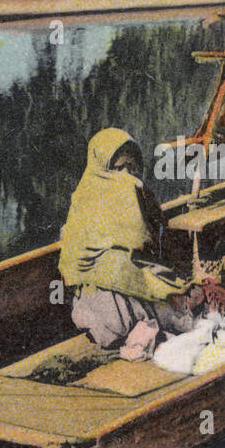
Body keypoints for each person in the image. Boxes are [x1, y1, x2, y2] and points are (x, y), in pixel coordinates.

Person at [59, 128, 200, 358]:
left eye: (132, 168)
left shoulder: (140, 194)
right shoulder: (85, 198)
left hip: (132, 282)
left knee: (158, 287)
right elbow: (74, 262)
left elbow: (152, 242)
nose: (126, 174)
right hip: (98, 295)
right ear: (101, 167)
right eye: (118, 168)